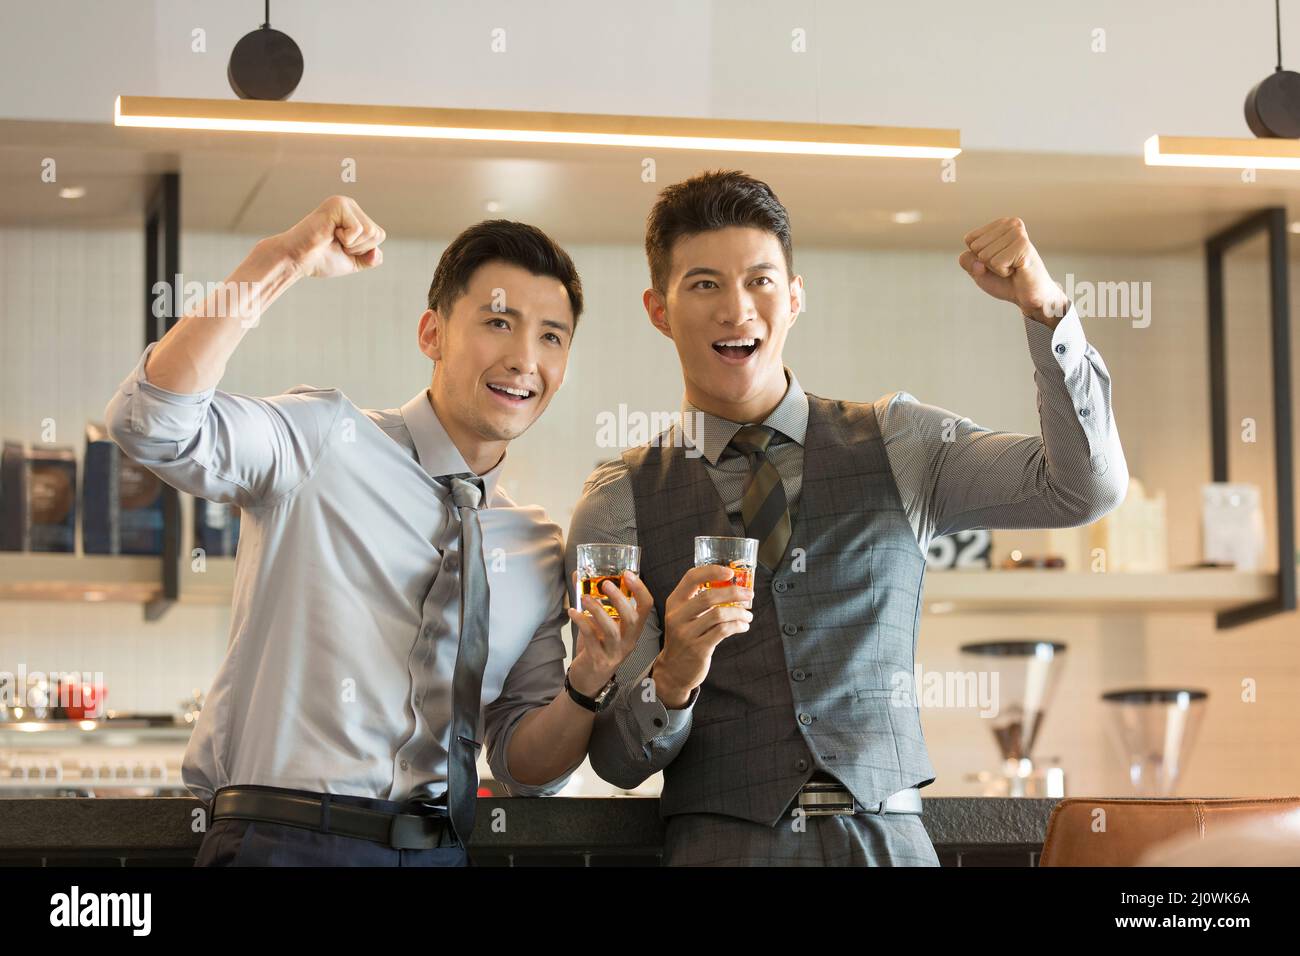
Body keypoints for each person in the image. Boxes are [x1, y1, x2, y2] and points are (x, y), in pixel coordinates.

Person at [567, 169, 1129, 866]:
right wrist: (676, 673)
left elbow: (1084, 489)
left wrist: (1047, 313)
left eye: (761, 281)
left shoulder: (902, 442)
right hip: (720, 849)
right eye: (705, 284)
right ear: (659, 309)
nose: (737, 310)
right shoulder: (618, 499)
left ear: (795, 297)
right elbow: (619, 761)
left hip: (887, 842)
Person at [106, 196, 640, 866]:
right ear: (432, 333)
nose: (524, 358)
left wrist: (589, 682)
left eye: (552, 337)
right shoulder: (324, 440)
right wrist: (280, 262)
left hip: (440, 851)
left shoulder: (533, 547)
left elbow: (524, 767)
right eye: (498, 322)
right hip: (283, 841)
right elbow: (150, 424)